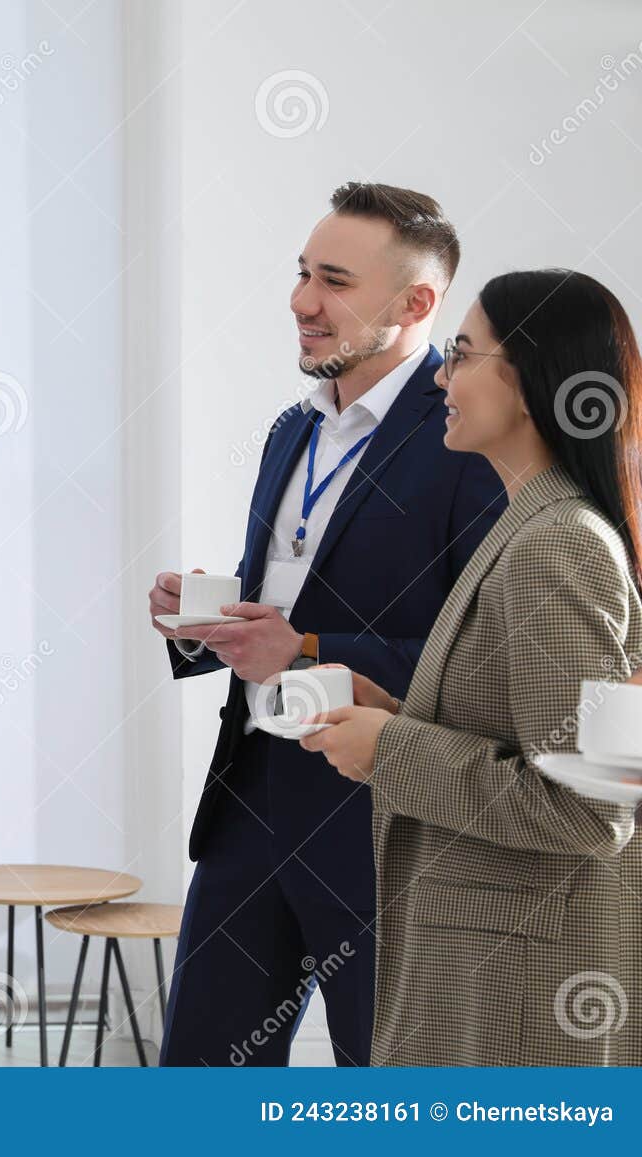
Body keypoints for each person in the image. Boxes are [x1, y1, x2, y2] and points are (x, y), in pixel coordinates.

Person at [146, 183, 506, 1066]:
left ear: (416, 303)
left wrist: (307, 650)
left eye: (335, 280)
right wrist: (208, 624)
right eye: (303, 273)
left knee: (387, 1084)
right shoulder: (289, 431)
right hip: (250, 800)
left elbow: (483, 661)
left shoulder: (465, 440)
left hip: (382, 818)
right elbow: (288, 610)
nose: (303, 301)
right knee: (199, 1075)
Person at [302, 268, 642, 1065]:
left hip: (520, 992)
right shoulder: (530, 525)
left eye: (462, 354)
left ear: (529, 384)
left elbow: (590, 811)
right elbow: (525, 729)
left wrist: (389, 748)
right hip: (493, 970)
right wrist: (393, 705)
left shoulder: (558, 547)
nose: (443, 378)